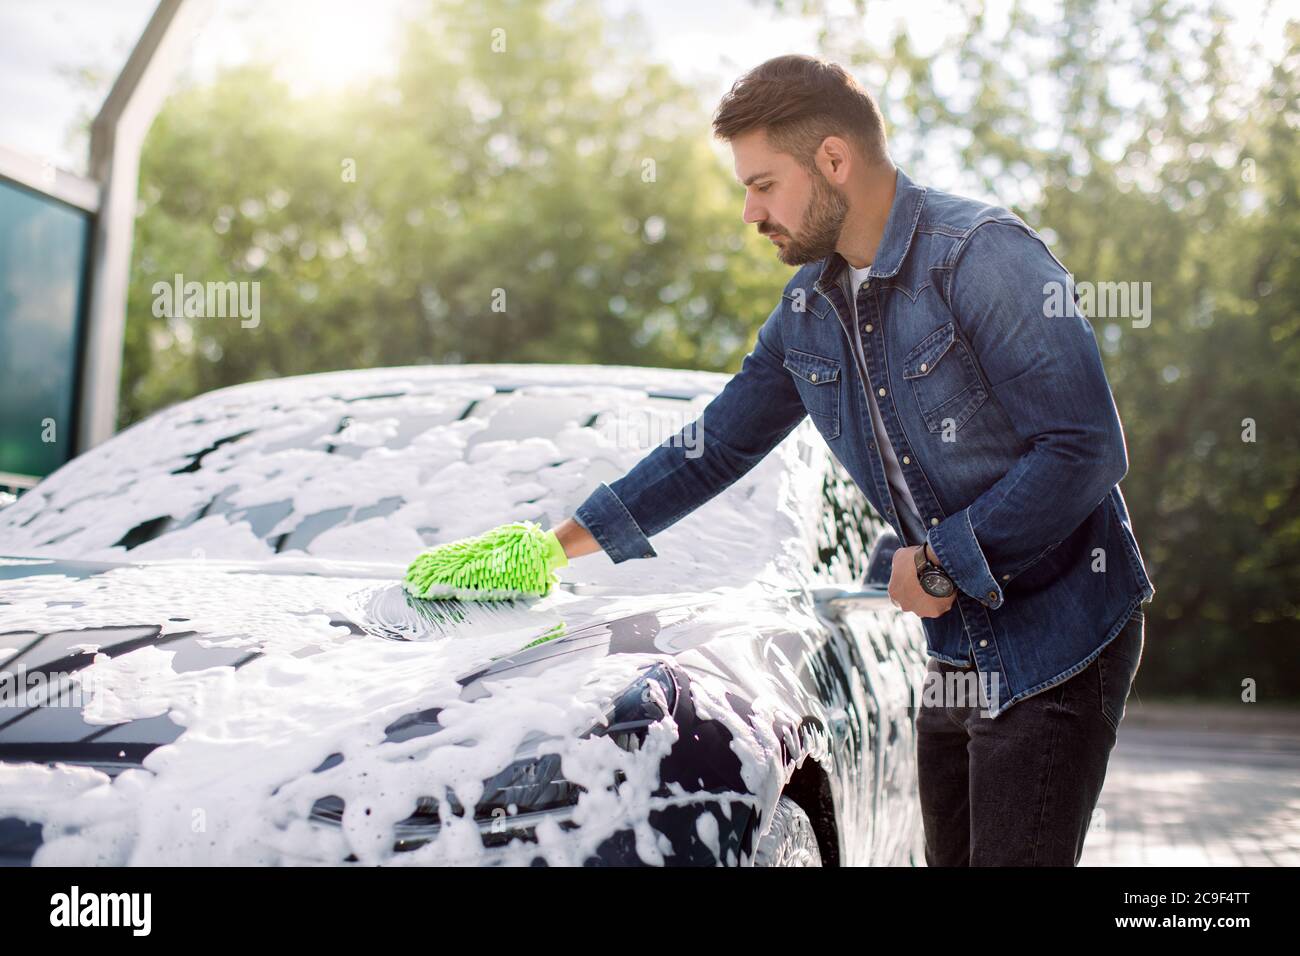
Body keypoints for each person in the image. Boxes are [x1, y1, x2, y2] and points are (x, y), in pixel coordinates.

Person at [551, 53, 1155, 866]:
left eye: (763, 184)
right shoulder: (807, 312)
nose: (748, 212)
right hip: (953, 649)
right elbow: (711, 448)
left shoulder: (983, 255)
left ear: (833, 160)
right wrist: (547, 549)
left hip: (1059, 636)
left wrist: (941, 564)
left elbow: (1085, 448)